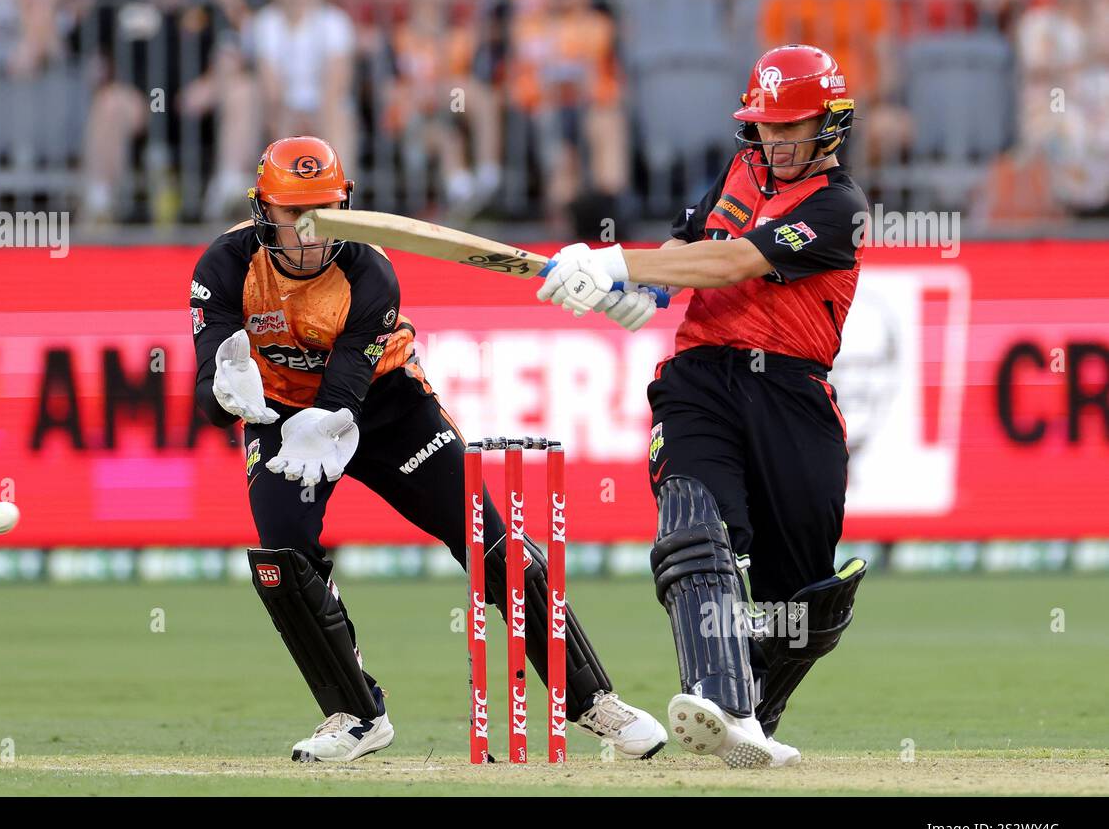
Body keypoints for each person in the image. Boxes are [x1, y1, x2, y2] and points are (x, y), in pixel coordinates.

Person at [190, 135, 667, 762]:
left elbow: (346, 393)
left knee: (489, 541)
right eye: (290, 216)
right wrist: (226, 391)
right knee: (282, 558)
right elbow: (207, 394)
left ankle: (592, 701)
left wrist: (326, 417)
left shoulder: (370, 270)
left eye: (321, 213)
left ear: (345, 206)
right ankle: (356, 715)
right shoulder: (223, 267)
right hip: (277, 413)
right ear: (263, 211)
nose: (307, 234)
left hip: (389, 408)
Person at [536, 44, 870, 769]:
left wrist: (617, 261)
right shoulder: (743, 167)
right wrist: (646, 290)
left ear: (832, 124)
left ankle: (751, 718)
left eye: (793, 127)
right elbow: (695, 242)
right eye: (766, 126)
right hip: (701, 379)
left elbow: (733, 261)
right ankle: (719, 696)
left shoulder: (839, 208)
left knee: (805, 600)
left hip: (792, 396)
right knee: (693, 519)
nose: (776, 142)